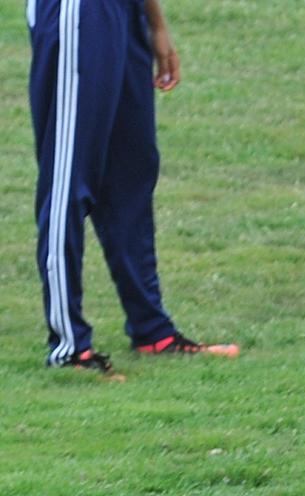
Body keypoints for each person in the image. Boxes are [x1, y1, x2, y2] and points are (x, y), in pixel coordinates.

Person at [28, 0, 238, 380]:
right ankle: (69, 348)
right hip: (77, 11)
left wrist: (155, 24)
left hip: (124, 13)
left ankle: (152, 331)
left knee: (131, 174)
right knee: (68, 180)